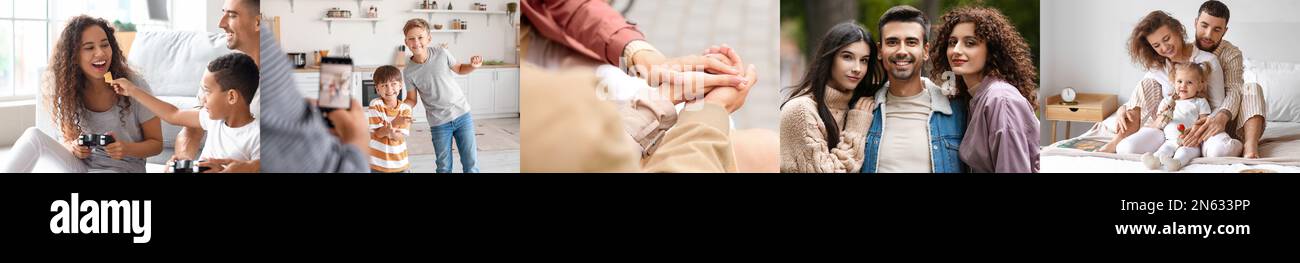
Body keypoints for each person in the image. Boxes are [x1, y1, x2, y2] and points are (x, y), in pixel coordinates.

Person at [1, 15, 162, 173]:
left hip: (122, 168)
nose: (100, 53)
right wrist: (73, 147)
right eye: (89, 47)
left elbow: (157, 144)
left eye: (105, 45)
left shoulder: (133, 84)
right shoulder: (68, 89)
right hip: (81, 167)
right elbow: (66, 140)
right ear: (74, 56)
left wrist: (126, 148)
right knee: (33, 136)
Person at [930, 6, 1040, 173]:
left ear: (991, 51)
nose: (957, 51)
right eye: (952, 42)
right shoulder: (974, 97)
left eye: (970, 43)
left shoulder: (1001, 100)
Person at [1101, 10, 1227, 156]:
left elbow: (1218, 105)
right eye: (1156, 45)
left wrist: (1198, 128)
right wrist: (1123, 108)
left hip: (1198, 125)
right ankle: (1118, 140)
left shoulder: (1207, 61)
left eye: (1166, 38)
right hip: (1166, 128)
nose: (1164, 47)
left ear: (1177, 31)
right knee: (1126, 147)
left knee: (1217, 152)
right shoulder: (1159, 67)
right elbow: (1141, 92)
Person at [110, 53, 261, 173]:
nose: (202, 99)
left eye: (207, 92)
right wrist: (132, 90)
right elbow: (173, 115)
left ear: (231, 97)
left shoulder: (257, 136)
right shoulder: (212, 119)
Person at [860, 5, 967, 173]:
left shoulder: (956, 110)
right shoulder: (862, 111)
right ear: (880, 51)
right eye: (892, 42)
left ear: (925, 51)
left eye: (911, 42)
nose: (902, 51)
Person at [779, 22, 880, 173]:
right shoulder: (801, 110)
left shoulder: (857, 106)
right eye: (847, 57)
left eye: (864, 60)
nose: (857, 68)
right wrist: (856, 130)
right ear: (830, 58)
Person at [400, 18, 484, 173]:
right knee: (443, 166)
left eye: (420, 37)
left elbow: (459, 68)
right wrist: (403, 107)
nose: (416, 42)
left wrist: (472, 66)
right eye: (411, 38)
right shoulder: (409, 72)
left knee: (470, 163)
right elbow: (412, 99)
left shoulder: (441, 53)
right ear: (406, 42)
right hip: (439, 123)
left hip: (462, 115)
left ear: (429, 38)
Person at [1186, 0, 1266, 158]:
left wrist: (1221, 117)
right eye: (1204, 25)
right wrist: (1126, 107)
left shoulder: (1232, 54)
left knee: (1251, 88)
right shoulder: (1184, 50)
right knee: (1146, 83)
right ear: (1195, 23)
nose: (1209, 34)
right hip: (1190, 119)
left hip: (1226, 123)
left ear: (1225, 31)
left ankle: (1250, 146)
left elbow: (1235, 89)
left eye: (1217, 29)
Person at [1139, 62, 1220, 171]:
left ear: (1199, 85)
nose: (1183, 85)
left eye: (1189, 82)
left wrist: (1193, 133)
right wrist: (1165, 112)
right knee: (1164, 150)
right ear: (1174, 82)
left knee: (1185, 152)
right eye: (1180, 81)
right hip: (1169, 140)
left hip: (1190, 141)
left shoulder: (1200, 102)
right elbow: (1160, 120)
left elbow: (1203, 123)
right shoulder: (1167, 101)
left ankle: (1177, 162)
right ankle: (1155, 160)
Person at [367, 66, 414, 173]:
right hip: (377, 163)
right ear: (377, 89)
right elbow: (378, 134)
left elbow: (399, 137)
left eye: (393, 84)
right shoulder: (375, 105)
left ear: (400, 85)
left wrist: (390, 132)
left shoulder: (405, 109)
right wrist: (395, 123)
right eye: (384, 85)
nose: (389, 89)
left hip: (400, 163)